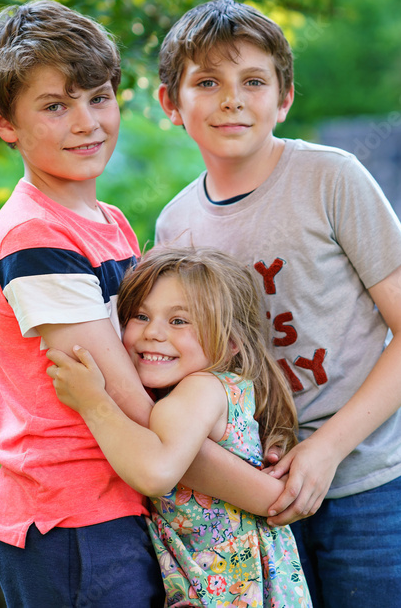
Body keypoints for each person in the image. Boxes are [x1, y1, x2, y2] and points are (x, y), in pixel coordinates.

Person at [0, 0, 286, 607]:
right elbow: (129, 404)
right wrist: (263, 493)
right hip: (73, 517)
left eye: (99, 97)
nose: (86, 122)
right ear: (4, 122)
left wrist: (244, 438)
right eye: (55, 106)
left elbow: (165, 371)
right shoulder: (34, 237)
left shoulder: (109, 223)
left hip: (127, 504)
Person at [152, 0, 401, 607]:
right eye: (207, 82)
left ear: (284, 97)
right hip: (254, 497)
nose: (232, 100)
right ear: (170, 104)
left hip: (370, 483)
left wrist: (327, 448)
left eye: (253, 81)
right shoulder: (175, 227)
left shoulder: (332, 178)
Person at [47, 247, 313, 607]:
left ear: (231, 342)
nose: (153, 332)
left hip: (233, 591)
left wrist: (93, 402)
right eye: (141, 316)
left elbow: (155, 472)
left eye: (179, 321)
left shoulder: (200, 390)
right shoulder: (208, 389)